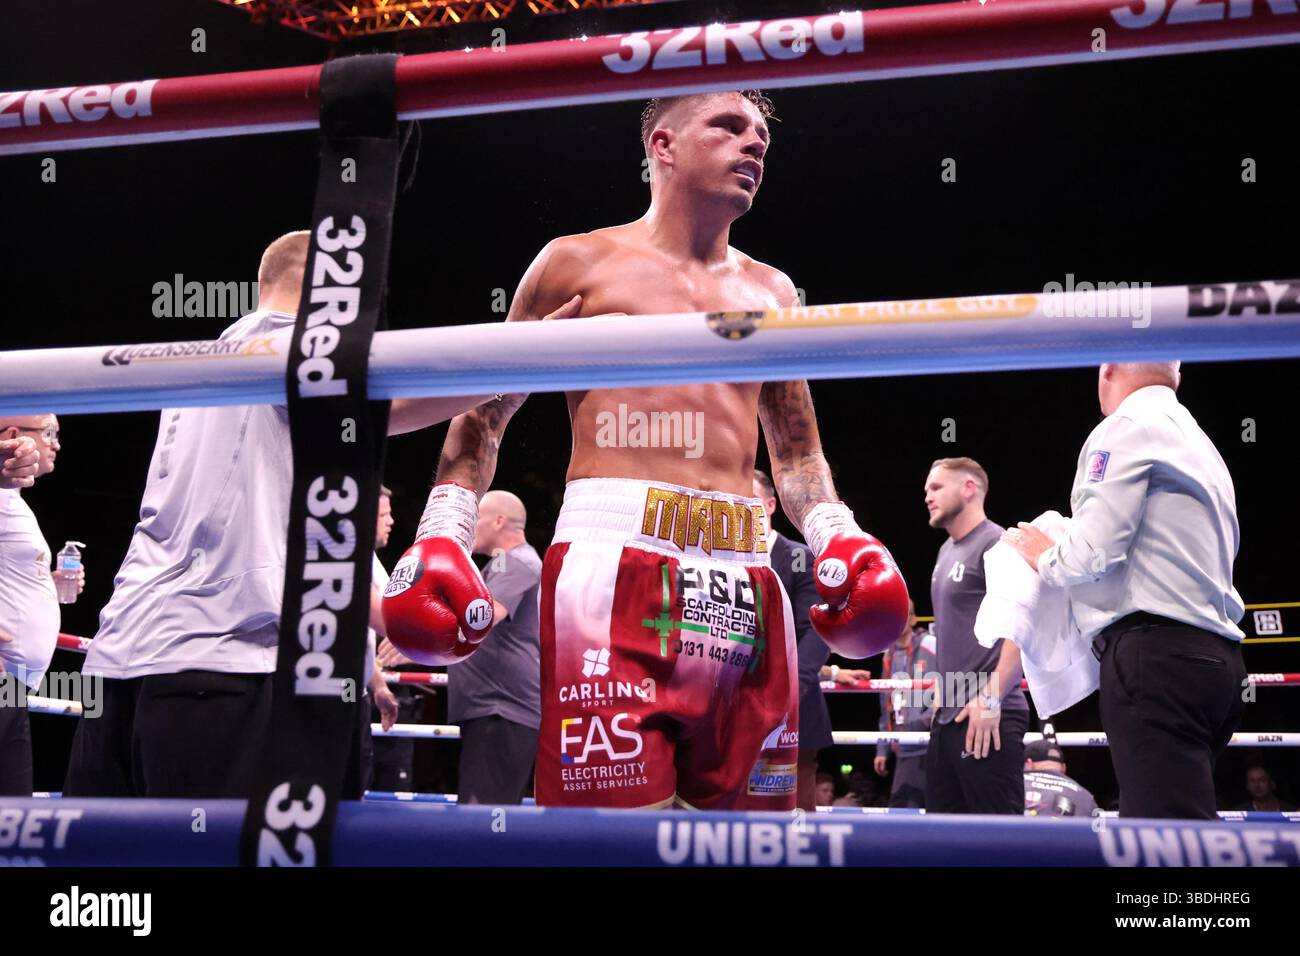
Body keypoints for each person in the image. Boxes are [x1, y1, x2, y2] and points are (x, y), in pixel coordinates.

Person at [385, 91, 909, 811]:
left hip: (745, 579)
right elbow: (486, 409)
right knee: (604, 849)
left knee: (750, 849)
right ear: (662, 145)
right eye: (729, 127)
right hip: (615, 572)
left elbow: (794, 453)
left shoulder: (774, 291)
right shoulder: (578, 262)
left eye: (762, 134)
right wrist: (442, 528)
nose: (753, 144)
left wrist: (837, 532)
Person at [63, 231, 489, 798]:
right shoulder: (290, 349)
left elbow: (286, 536)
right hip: (222, 666)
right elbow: (401, 406)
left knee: (115, 877)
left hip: (123, 662)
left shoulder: (200, 370)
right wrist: (521, 359)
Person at [1003, 362, 1247, 819]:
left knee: (1162, 838)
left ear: (1108, 368)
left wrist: (1044, 554)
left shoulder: (1126, 426)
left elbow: (1094, 551)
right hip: (1215, 663)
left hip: (1158, 660)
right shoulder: (1199, 440)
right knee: (1184, 824)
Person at [924, 457, 1028, 814]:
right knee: (941, 841)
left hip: (988, 716)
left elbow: (1022, 627)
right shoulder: (945, 550)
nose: (927, 496)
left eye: (936, 487)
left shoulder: (998, 543)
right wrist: (943, 687)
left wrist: (992, 698)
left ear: (968, 488)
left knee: (999, 844)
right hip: (948, 715)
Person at [443, 490, 543, 805]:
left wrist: (422, 642)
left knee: (482, 818)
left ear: (500, 521)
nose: (469, 527)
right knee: (483, 814)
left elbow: (481, 619)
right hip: (495, 709)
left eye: (477, 518)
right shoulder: (502, 565)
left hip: (502, 708)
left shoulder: (517, 562)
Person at [0, 414, 83, 795]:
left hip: (14, 688)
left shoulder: (11, 500)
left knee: (12, 821)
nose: (56, 443)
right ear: (15, 436)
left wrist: (46, 584)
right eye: (49, 433)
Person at [753, 467, 831, 811]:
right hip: (735, 703)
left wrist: (788, 690)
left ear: (771, 505)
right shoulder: (724, 560)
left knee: (795, 810)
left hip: (792, 708)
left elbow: (816, 630)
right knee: (737, 810)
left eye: (751, 499)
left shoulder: (800, 557)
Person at [874, 600, 936, 809]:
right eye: (894, 615)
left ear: (913, 618)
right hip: (902, 743)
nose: (899, 620)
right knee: (907, 806)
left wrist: (930, 720)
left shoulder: (930, 644)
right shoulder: (888, 655)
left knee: (907, 806)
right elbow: (885, 706)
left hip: (930, 740)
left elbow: (951, 679)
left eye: (903, 614)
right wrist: (882, 749)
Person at [1022, 738, 1097, 818]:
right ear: (1063, 767)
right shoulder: (1085, 796)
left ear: (1028, 764)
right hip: (1068, 830)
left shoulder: (1013, 785)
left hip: (1018, 828)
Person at [1232, 764, 1297, 813]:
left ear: (1272, 783)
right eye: (1252, 781)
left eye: (1262, 780)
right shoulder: (1238, 813)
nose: (1257, 785)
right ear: (1247, 786)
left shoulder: (1292, 812)